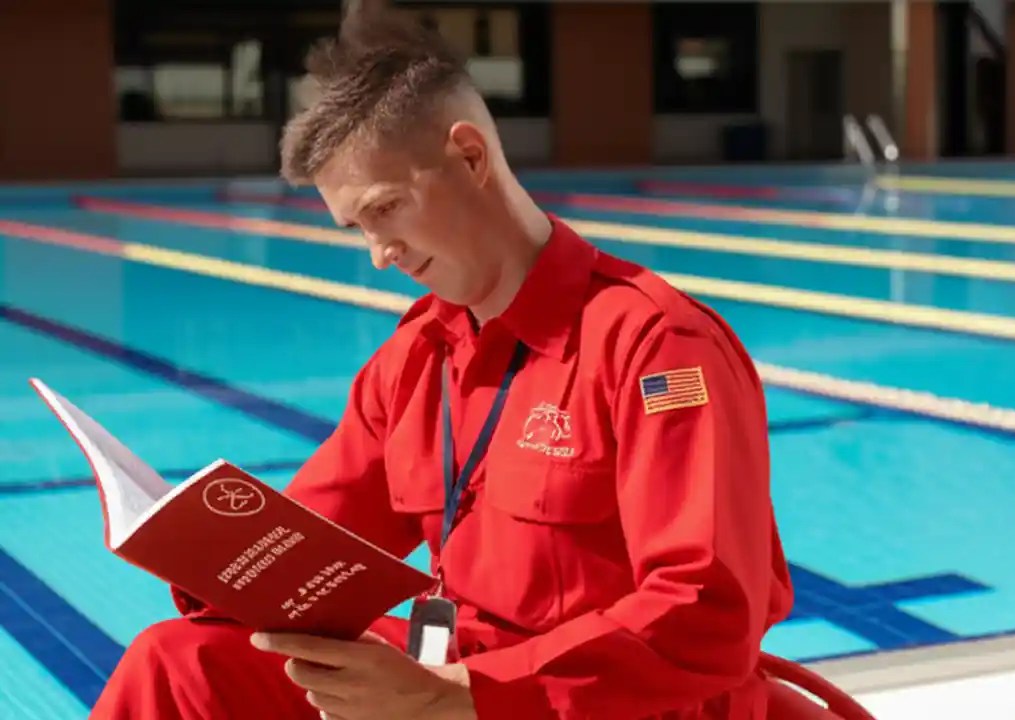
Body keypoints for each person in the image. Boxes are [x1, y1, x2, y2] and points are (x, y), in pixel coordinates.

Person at [90, 5, 793, 719]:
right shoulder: (416, 359)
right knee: (175, 665)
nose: (379, 251)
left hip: (599, 701)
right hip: (453, 671)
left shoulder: (654, 346)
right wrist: (198, 553)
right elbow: (310, 545)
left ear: (470, 156)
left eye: (387, 208)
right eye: (358, 227)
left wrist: (458, 696)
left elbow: (704, 615)